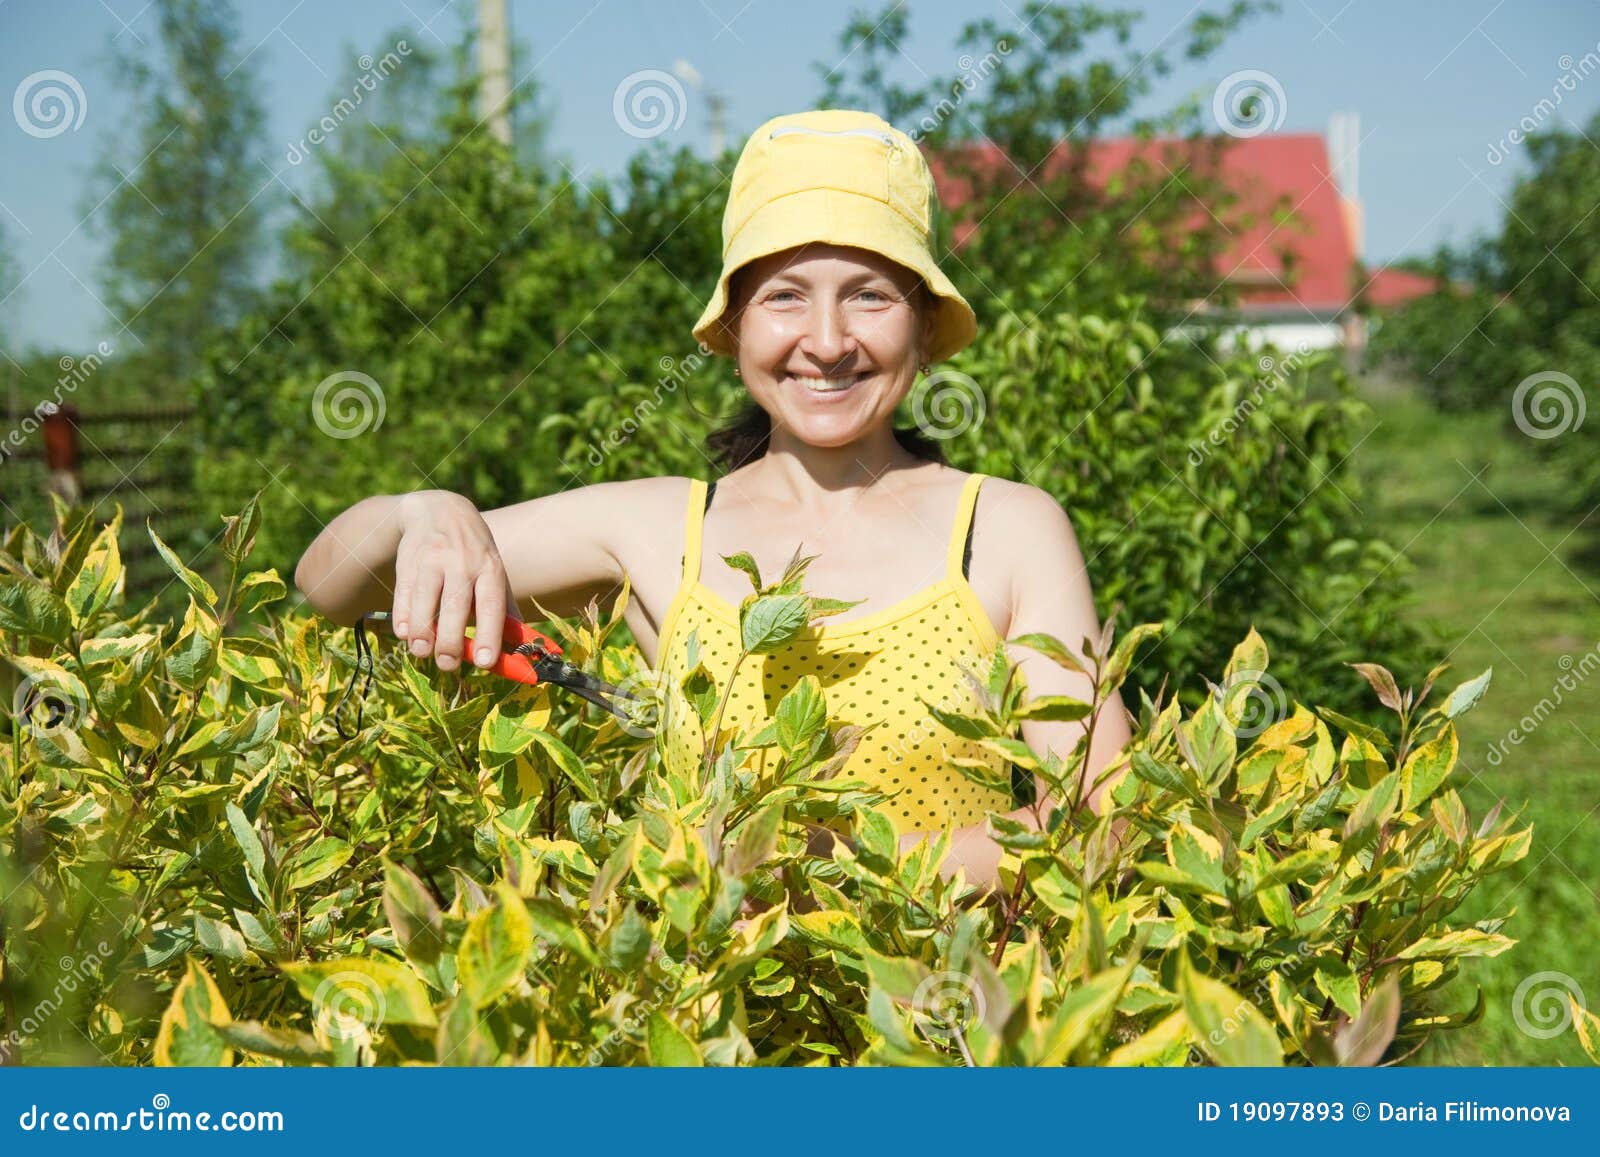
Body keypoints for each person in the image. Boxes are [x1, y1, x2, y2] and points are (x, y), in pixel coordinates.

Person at [293, 107, 1132, 894]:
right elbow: (325, 586)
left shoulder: (1007, 530)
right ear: (733, 327)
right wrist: (425, 512)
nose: (830, 341)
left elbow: (1107, 818)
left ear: (922, 325)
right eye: (785, 295)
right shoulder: (658, 530)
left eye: (871, 295)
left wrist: (834, 870)